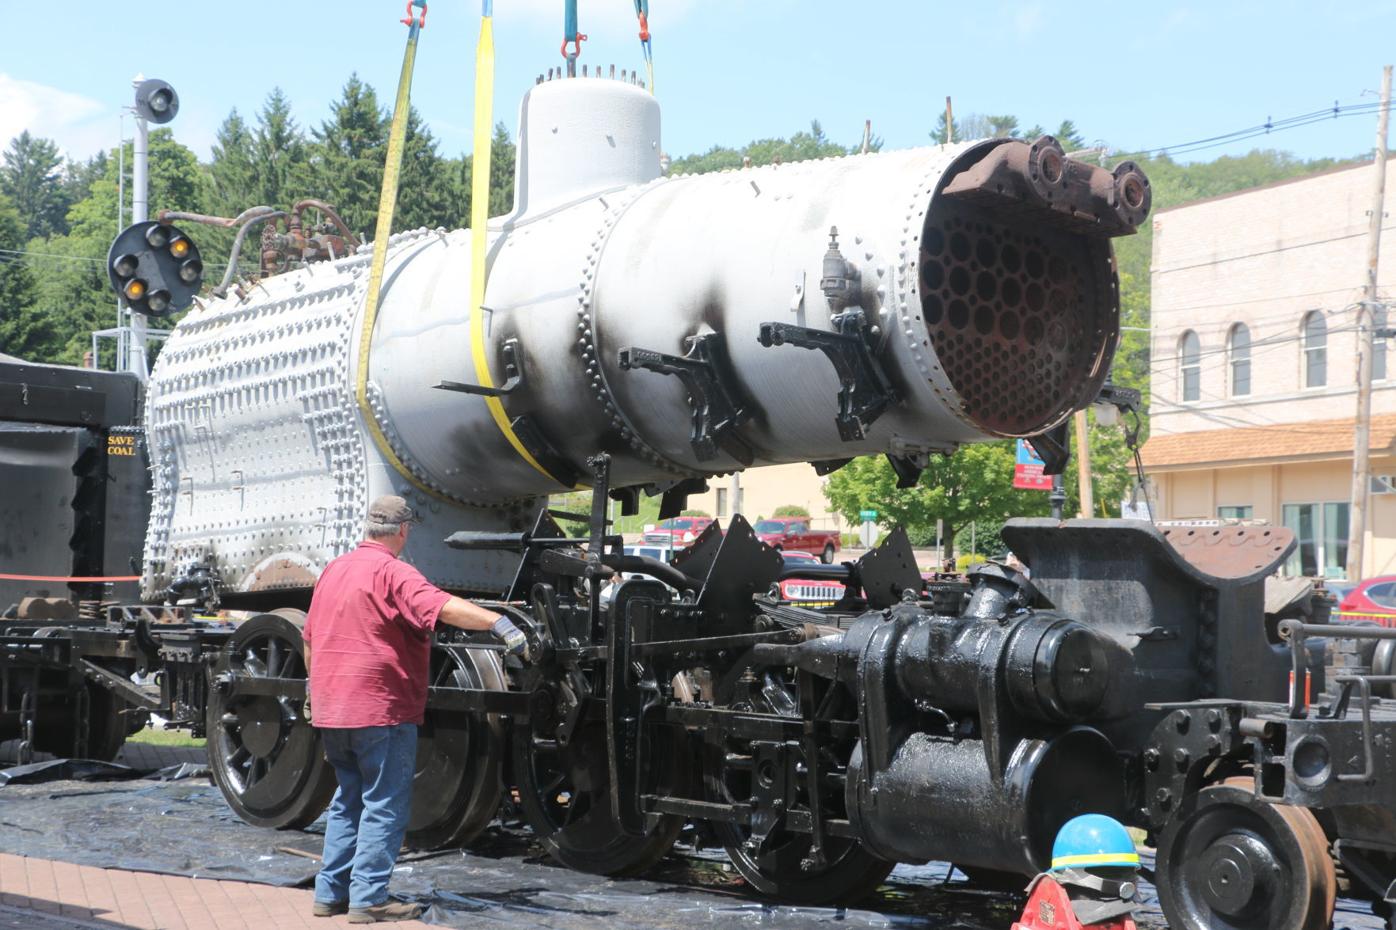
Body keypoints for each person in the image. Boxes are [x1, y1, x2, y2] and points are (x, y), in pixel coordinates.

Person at [302, 495, 528, 924]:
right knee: (383, 804)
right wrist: (497, 621)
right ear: (403, 530)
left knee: (348, 799)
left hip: (333, 709)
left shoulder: (333, 570)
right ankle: (369, 899)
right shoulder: (393, 571)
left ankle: (330, 894)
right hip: (380, 710)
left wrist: (316, 692)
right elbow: (441, 606)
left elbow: (310, 638)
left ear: (367, 528)